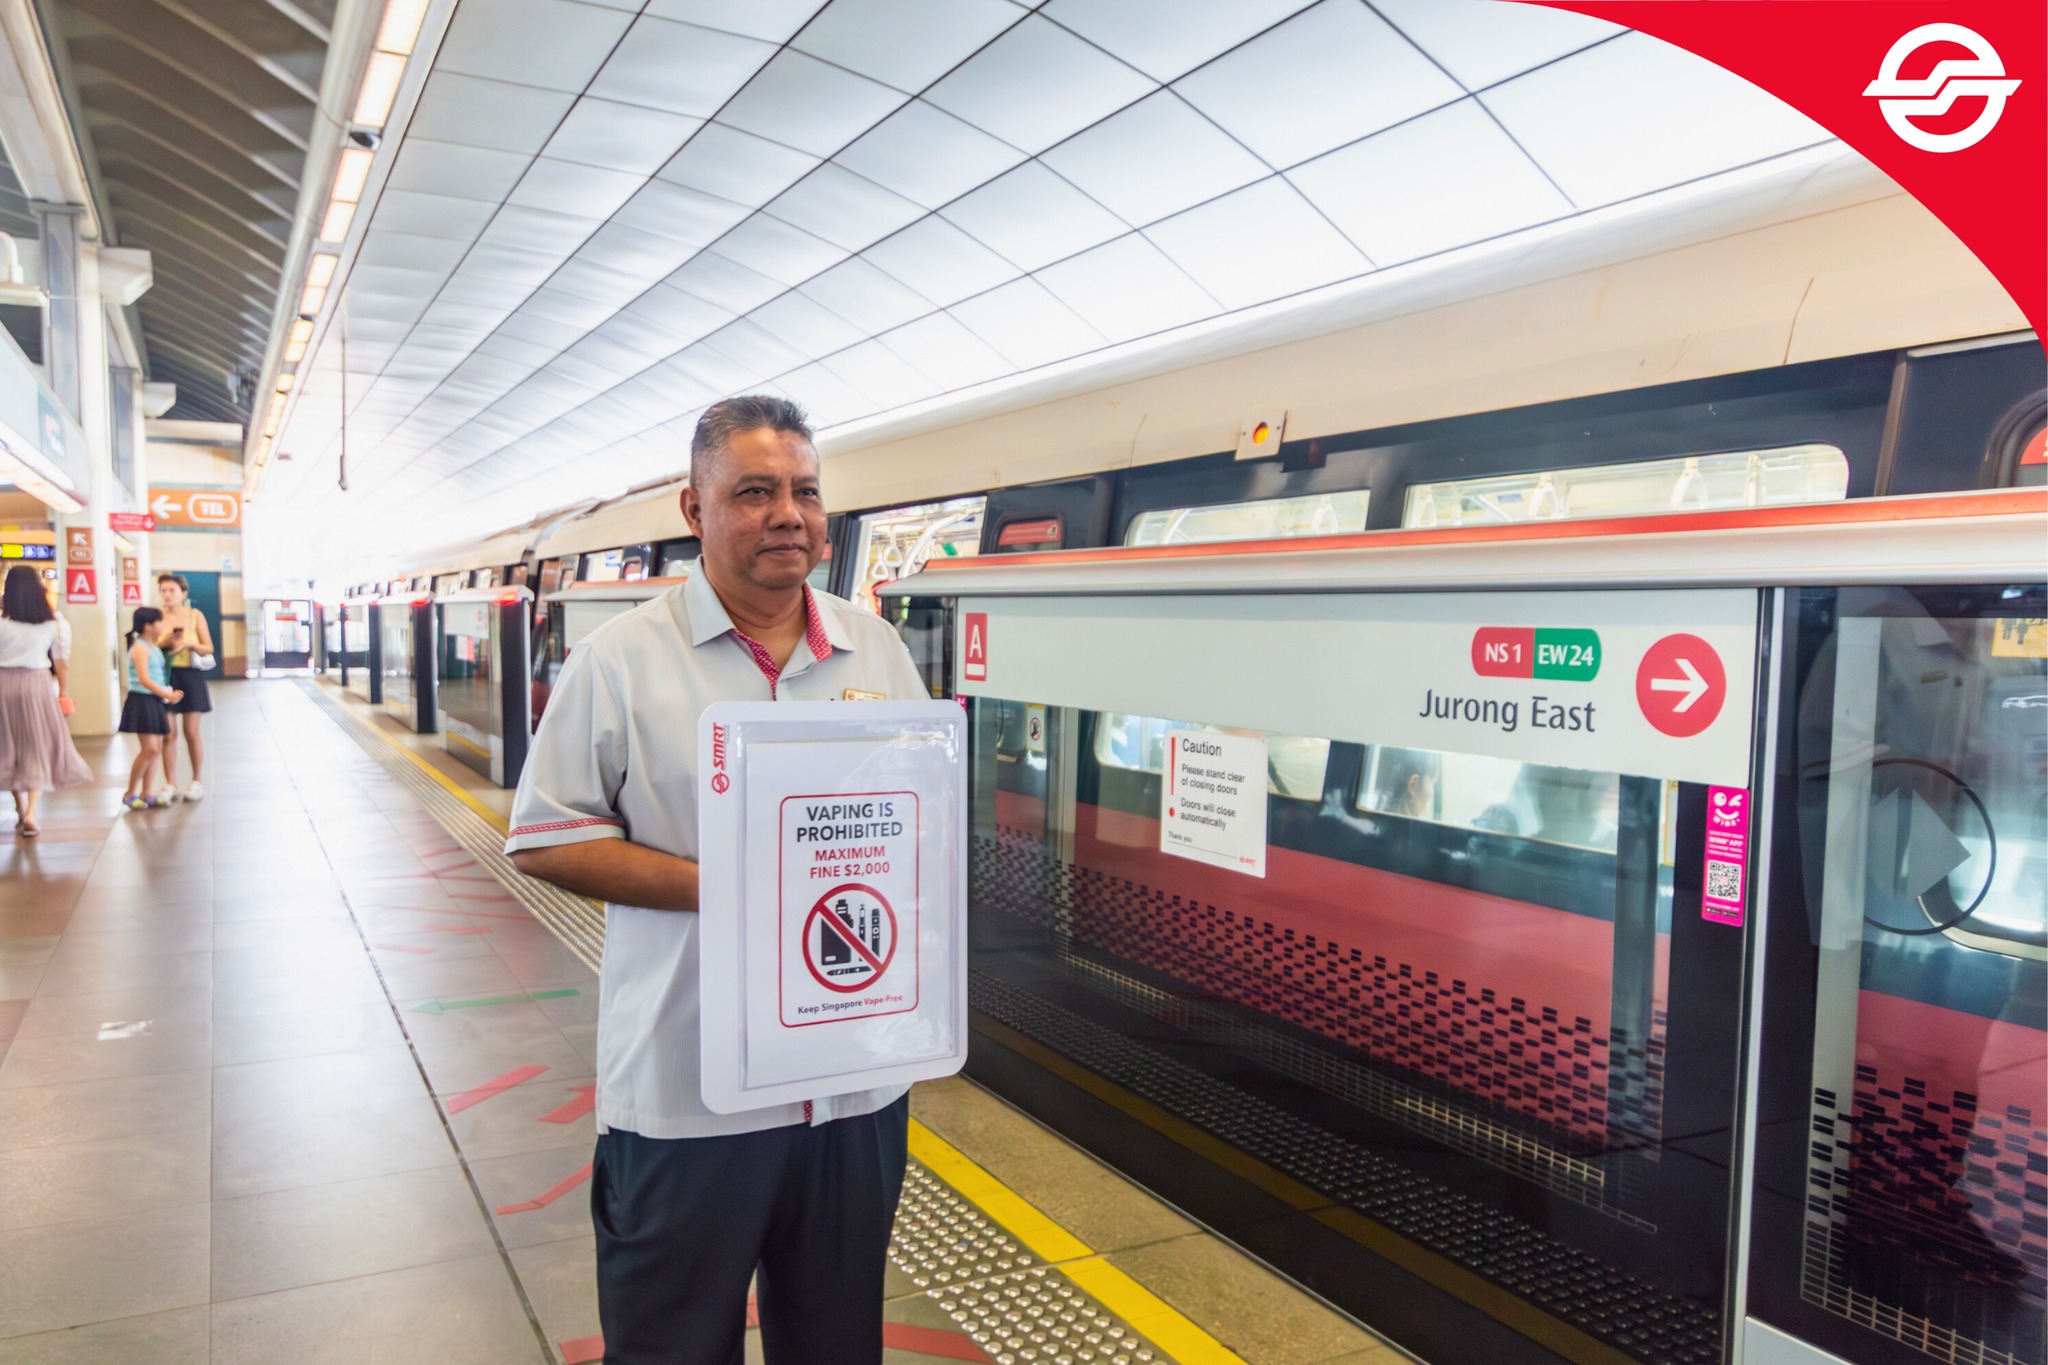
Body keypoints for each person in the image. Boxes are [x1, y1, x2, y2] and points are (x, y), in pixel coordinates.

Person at [507, 396, 927, 1365]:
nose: (789, 513)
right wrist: (729, 887)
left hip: (849, 1095)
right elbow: (541, 837)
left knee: (834, 1345)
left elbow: (915, 821)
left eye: (805, 491)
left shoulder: (878, 651)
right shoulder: (621, 662)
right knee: (670, 1349)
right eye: (754, 492)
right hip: (687, 1096)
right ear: (694, 511)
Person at [0, 564, 90, 836]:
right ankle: (32, 813)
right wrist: (63, 693)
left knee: (8, 746)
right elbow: (62, 663)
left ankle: (19, 807)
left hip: (3, 684)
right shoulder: (53, 623)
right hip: (36, 685)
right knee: (35, 746)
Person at [155, 573, 213, 801]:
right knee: (169, 732)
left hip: (191, 675)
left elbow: (208, 647)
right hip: (166, 676)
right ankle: (170, 783)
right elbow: (147, 646)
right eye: (163, 590)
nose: (167, 595)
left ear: (183, 593)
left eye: (172, 590)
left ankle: (196, 781)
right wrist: (165, 644)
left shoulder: (195, 615)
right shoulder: (156, 617)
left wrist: (189, 643)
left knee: (191, 731)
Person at [120, 606, 183, 811]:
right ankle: (130, 793)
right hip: (142, 701)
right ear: (148, 626)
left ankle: (147, 793)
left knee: (155, 749)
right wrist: (167, 695)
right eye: (159, 622)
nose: (163, 626)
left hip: (154, 700)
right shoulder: (139, 647)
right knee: (150, 748)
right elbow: (144, 679)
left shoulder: (153, 646)